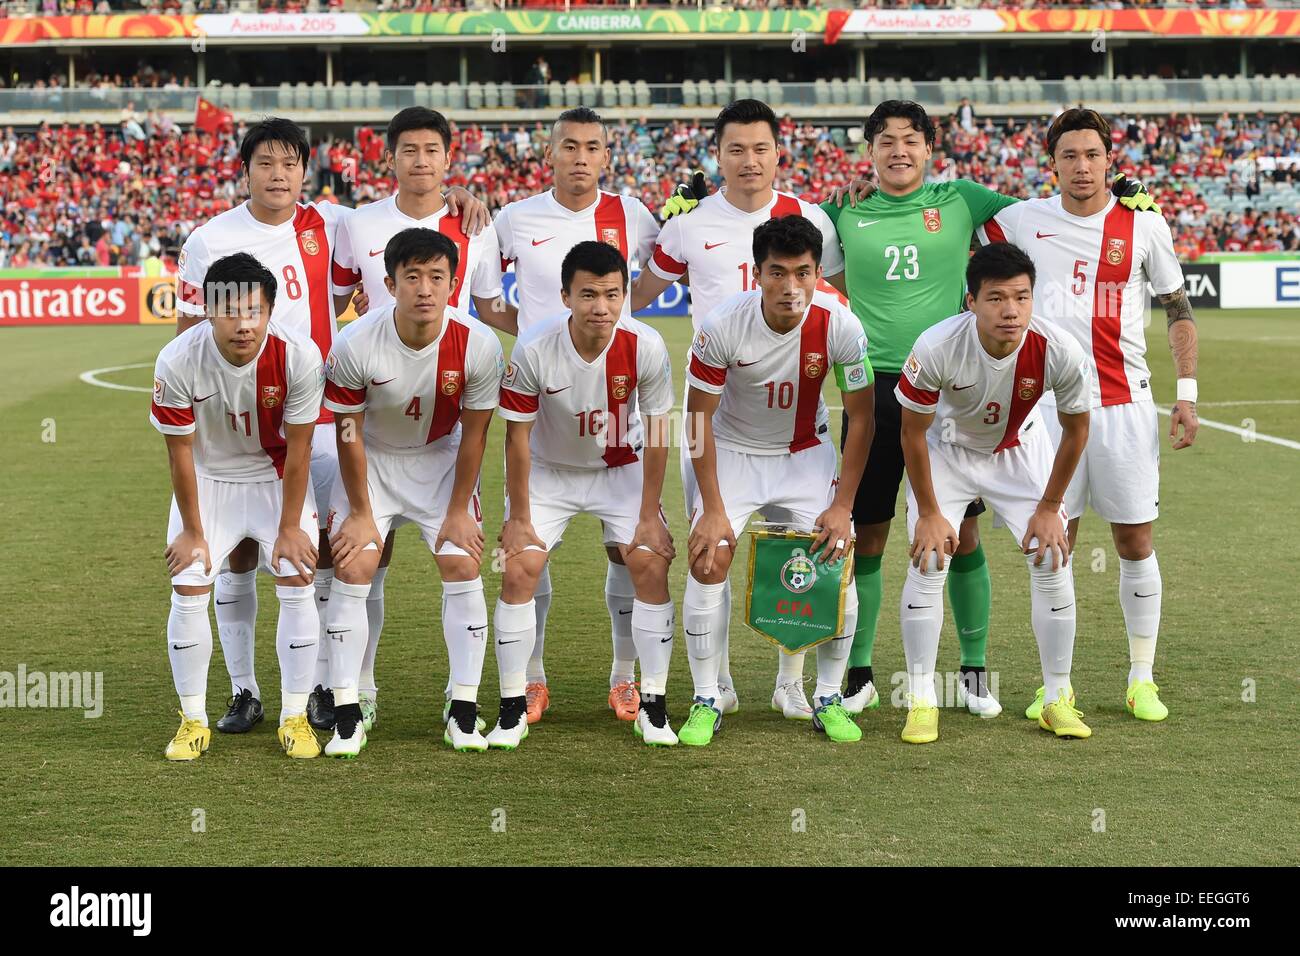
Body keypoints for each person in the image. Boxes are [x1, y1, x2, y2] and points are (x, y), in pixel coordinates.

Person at [976, 107, 1200, 723]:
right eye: (1069, 156)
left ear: (1111, 160)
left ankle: (1141, 679)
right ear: (1052, 162)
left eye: (1093, 155)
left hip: (1124, 404)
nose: (1082, 167)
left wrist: (1188, 391)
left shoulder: (1144, 225)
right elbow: (944, 228)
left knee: (1135, 539)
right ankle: (1057, 688)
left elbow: (1178, 309)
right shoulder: (1021, 220)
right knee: (1053, 544)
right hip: (1046, 411)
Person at [630, 98, 848, 721]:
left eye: (760, 148)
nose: (748, 161)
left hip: (797, 424)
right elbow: (639, 295)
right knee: (712, 550)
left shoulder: (810, 219)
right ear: (717, 155)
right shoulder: (689, 223)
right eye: (735, 149)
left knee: (810, 554)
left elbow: (836, 292)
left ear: (779, 153)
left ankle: (793, 683)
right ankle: (716, 684)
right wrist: (655, 224)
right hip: (719, 421)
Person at [330, 106, 510, 735]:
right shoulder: (355, 225)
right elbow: (345, 425)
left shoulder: (472, 225)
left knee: (462, 559)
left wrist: (462, 507)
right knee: (358, 562)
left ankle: (463, 704)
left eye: (433, 150)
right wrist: (357, 506)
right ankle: (354, 699)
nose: (421, 160)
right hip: (373, 443)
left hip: (442, 434)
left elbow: (479, 431)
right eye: (409, 149)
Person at [492, 107, 661, 726]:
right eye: (570, 146)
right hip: (548, 408)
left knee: (629, 555)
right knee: (530, 554)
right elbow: (485, 295)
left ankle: (626, 678)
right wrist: (544, 336)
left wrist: (618, 319)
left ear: (607, 156)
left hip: (617, 411)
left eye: (593, 147)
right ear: (551, 153)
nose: (581, 157)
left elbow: (674, 258)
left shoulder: (635, 215)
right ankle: (531, 679)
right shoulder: (514, 218)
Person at [682, 215, 875, 747]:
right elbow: (696, 420)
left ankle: (827, 697)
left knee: (836, 557)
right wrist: (714, 507)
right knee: (709, 555)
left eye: (803, 273)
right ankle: (706, 698)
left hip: (804, 454)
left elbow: (862, 417)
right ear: (757, 273)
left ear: (818, 273)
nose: (791, 288)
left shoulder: (840, 325)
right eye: (777, 273)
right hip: (732, 453)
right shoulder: (722, 325)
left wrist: (842, 504)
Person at [896, 242, 1093, 742]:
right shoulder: (937, 345)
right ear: (971, 301)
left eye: (1022, 298)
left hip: (1019, 451)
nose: (1011, 311)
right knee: (930, 557)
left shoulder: (1058, 349)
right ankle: (921, 700)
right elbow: (912, 433)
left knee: (1052, 557)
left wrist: (1050, 507)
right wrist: (931, 512)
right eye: (996, 298)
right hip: (948, 450)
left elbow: (1075, 431)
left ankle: (1057, 698)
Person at [495, 241, 678, 748]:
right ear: (566, 296)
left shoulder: (646, 345)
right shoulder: (533, 347)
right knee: (519, 566)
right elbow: (516, 437)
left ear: (625, 295)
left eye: (613, 294)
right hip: (550, 472)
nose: (602, 306)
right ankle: (519, 696)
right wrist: (520, 517)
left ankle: (642, 695)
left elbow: (661, 430)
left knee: (648, 562)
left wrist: (648, 515)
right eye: (589, 294)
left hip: (620, 469)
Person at [151, 253, 325, 761]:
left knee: (295, 575)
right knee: (189, 585)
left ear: (271, 310)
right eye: (231, 310)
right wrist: (191, 529)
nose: (243, 323)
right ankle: (196, 718)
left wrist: (290, 526)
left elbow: (299, 450)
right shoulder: (178, 359)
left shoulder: (299, 356)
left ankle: (295, 714)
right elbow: (180, 452)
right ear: (207, 309)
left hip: (273, 479)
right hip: (208, 479)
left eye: (255, 310)